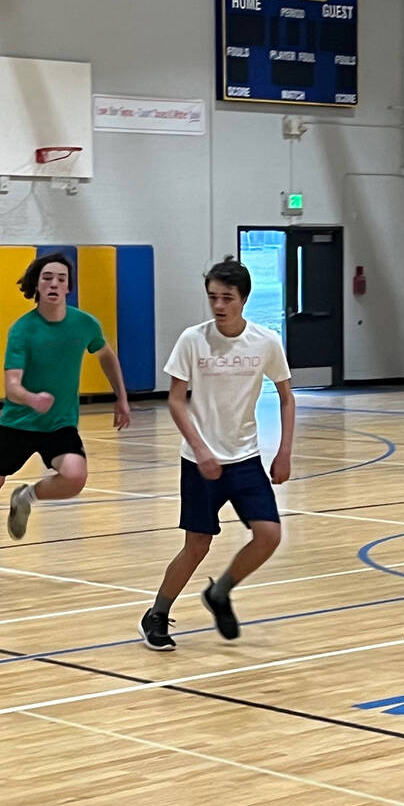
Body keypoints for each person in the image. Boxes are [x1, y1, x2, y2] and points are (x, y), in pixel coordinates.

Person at [0, 252, 131, 576]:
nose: (54, 284)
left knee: (75, 477)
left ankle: (26, 496)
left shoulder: (84, 324)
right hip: (18, 423)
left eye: (61, 279)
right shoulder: (23, 330)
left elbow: (105, 354)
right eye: (47, 278)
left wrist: (121, 397)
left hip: (59, 424)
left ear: (68, 287)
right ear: (37, 284)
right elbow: (12, 386)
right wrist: (33, 399)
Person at [139, 258, 294, 651]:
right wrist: (200, 448)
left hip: (245, 459)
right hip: (199, 463)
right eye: (213, 297)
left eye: (227, 298)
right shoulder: (193, 339)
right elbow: (176, 400)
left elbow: (287, 398)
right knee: (197, 545)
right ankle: (157, 613)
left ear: (244, 299)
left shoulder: (265, 341)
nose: (219, 305)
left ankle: (220, 591)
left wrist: (284, 452)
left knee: (269, 534)